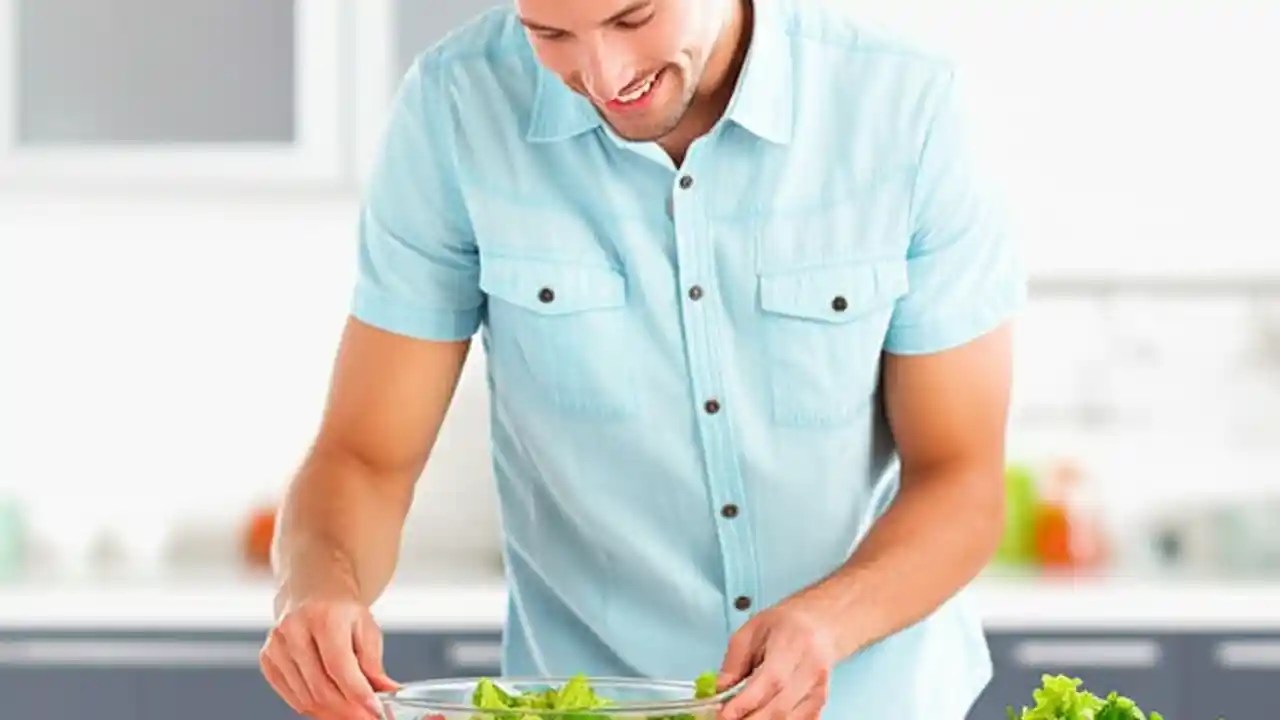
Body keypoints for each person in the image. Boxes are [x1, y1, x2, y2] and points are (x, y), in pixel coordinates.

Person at [258, 0, 1025, 718]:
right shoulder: (456, 110)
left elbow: (958, 479)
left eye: (634, 17)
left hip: (874, 700)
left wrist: (828, 623)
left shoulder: (902, 110)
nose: (603, 75)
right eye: (549, 34)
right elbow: (363, 456)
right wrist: (317, 590)